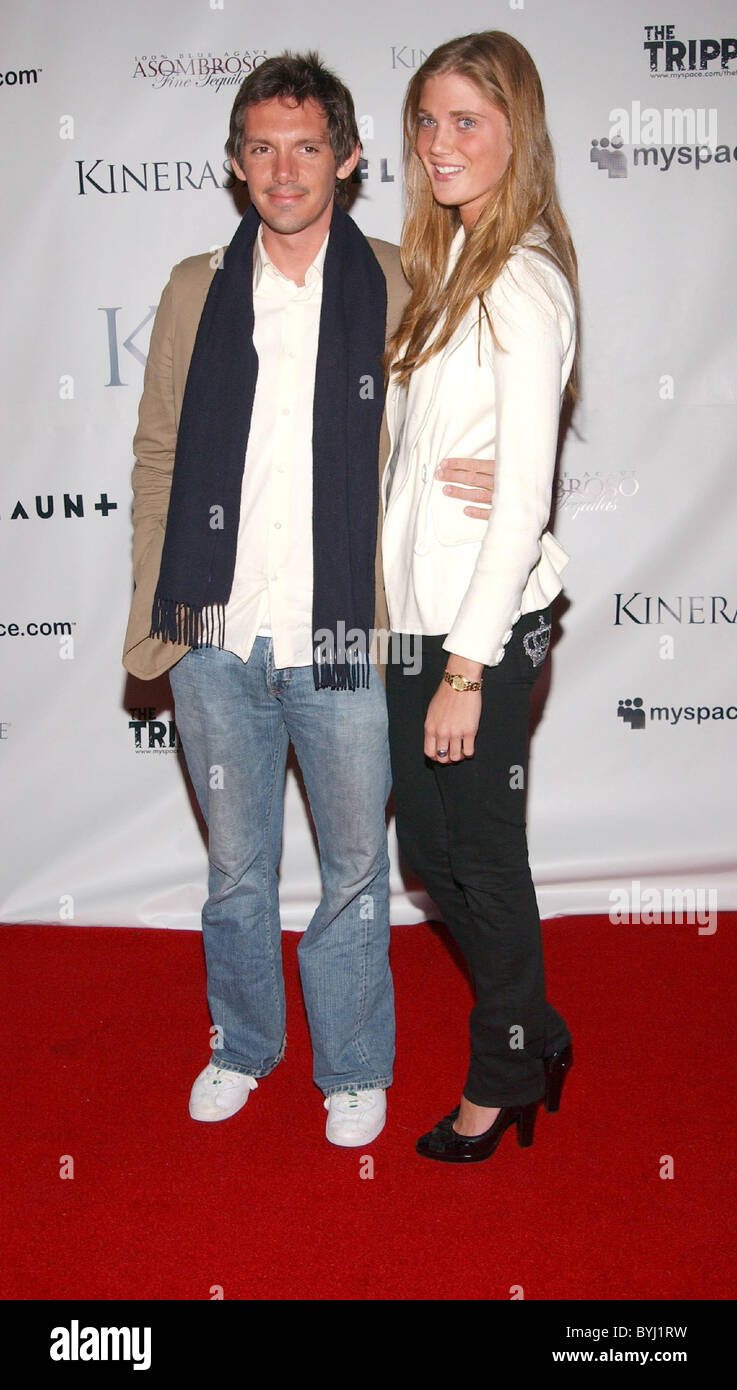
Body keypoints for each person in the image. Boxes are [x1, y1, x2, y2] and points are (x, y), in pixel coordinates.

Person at [122, 51, 495, 1148]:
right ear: (237, 165)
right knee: (234, 866)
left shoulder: (398, 277)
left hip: (345, 635)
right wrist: (158, 602)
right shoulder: (196, 286)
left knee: (352, 866)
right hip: (214, 636)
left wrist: (491, 470)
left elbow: (446, 424)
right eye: (260, 148)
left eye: (306, 145)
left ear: (346, 154)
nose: (284, 170)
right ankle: (241, 1042)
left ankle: (352, 1064)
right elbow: (156, 452)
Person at [382, 30, 579, 1163]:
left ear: (517, 133)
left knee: (480, 859)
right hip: (421, 618)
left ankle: (502, 1073)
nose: (441, 142)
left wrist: (466, 666)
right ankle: (538, 1025)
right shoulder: (449, 263)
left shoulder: (520, 275)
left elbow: (520, 508)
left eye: (467, 121)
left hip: (480, 629)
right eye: (428, 120)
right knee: (438, 862)